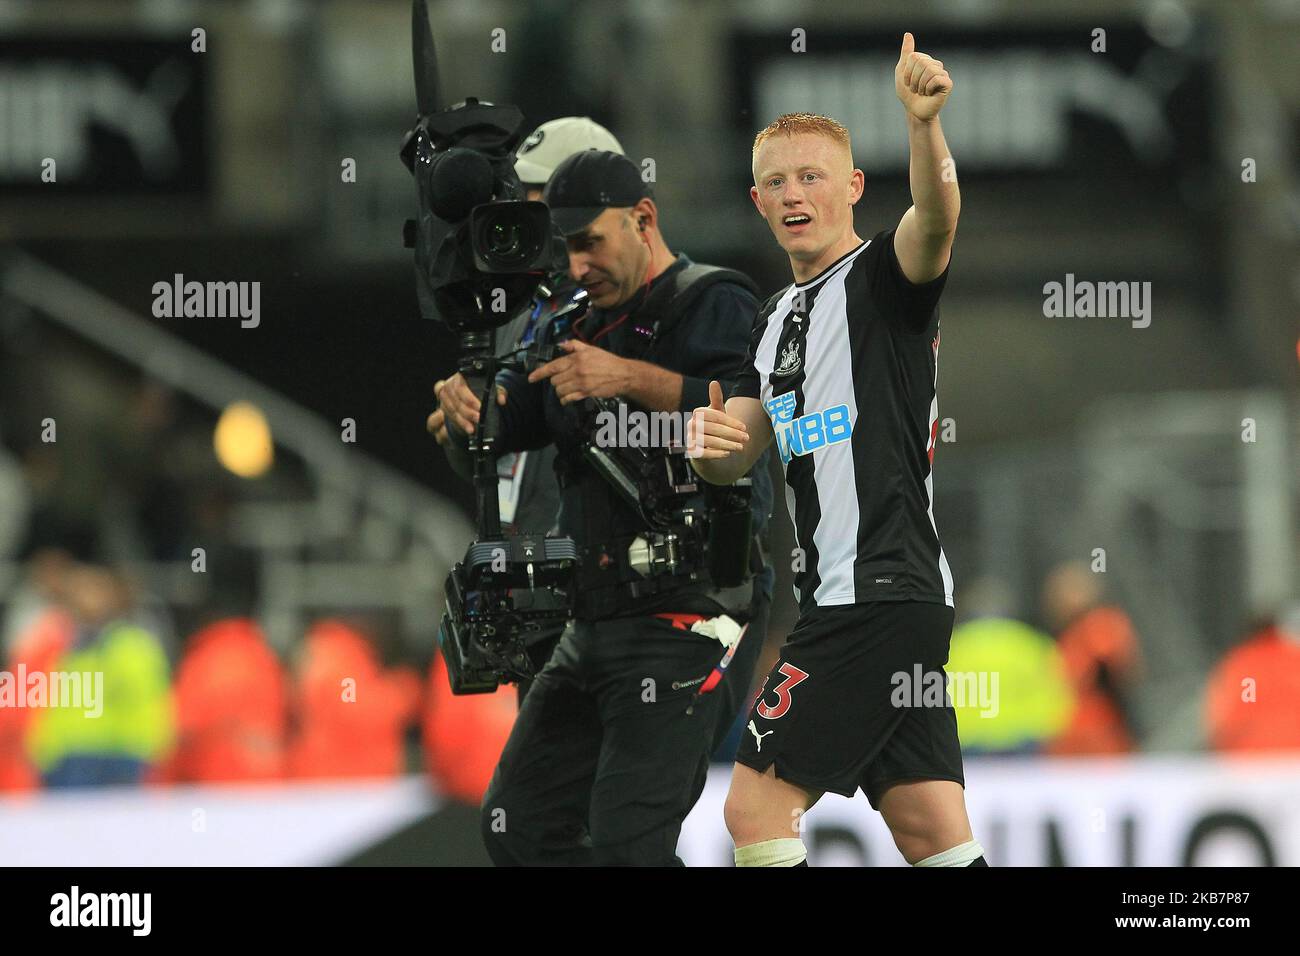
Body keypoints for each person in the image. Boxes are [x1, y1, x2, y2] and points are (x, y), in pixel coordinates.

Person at [687, 34, 986, 867]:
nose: (794, 194)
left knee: (753, 810)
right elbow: (739, 444)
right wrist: (709, 448)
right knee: (930, 831)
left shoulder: (886, 281)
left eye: (811, 176)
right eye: (776, 181)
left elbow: (939, 219)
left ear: (852, 187)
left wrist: (924, 128)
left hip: (878, 596)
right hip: (873, 604)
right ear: (757, 200)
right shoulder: (775, 317)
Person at [436, 149, 773, 865]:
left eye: (592, 241)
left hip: (689, 611)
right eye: (568, 247)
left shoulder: (715, 299)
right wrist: (466, 410)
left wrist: (628, 378)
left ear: (643, 219)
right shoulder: (571, 328)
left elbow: (744, 420)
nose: (579, 264)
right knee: (520, 828)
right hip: (589, 622)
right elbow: (504, 426)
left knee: (628, 843)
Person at [428, 116, 624, 703]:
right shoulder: (519, 305)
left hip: (605, 584)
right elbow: (491, 453)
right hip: (530, 582)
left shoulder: (624, 304)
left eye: (544, 193)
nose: (528, 206)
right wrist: (463, 421)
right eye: (528, 192)